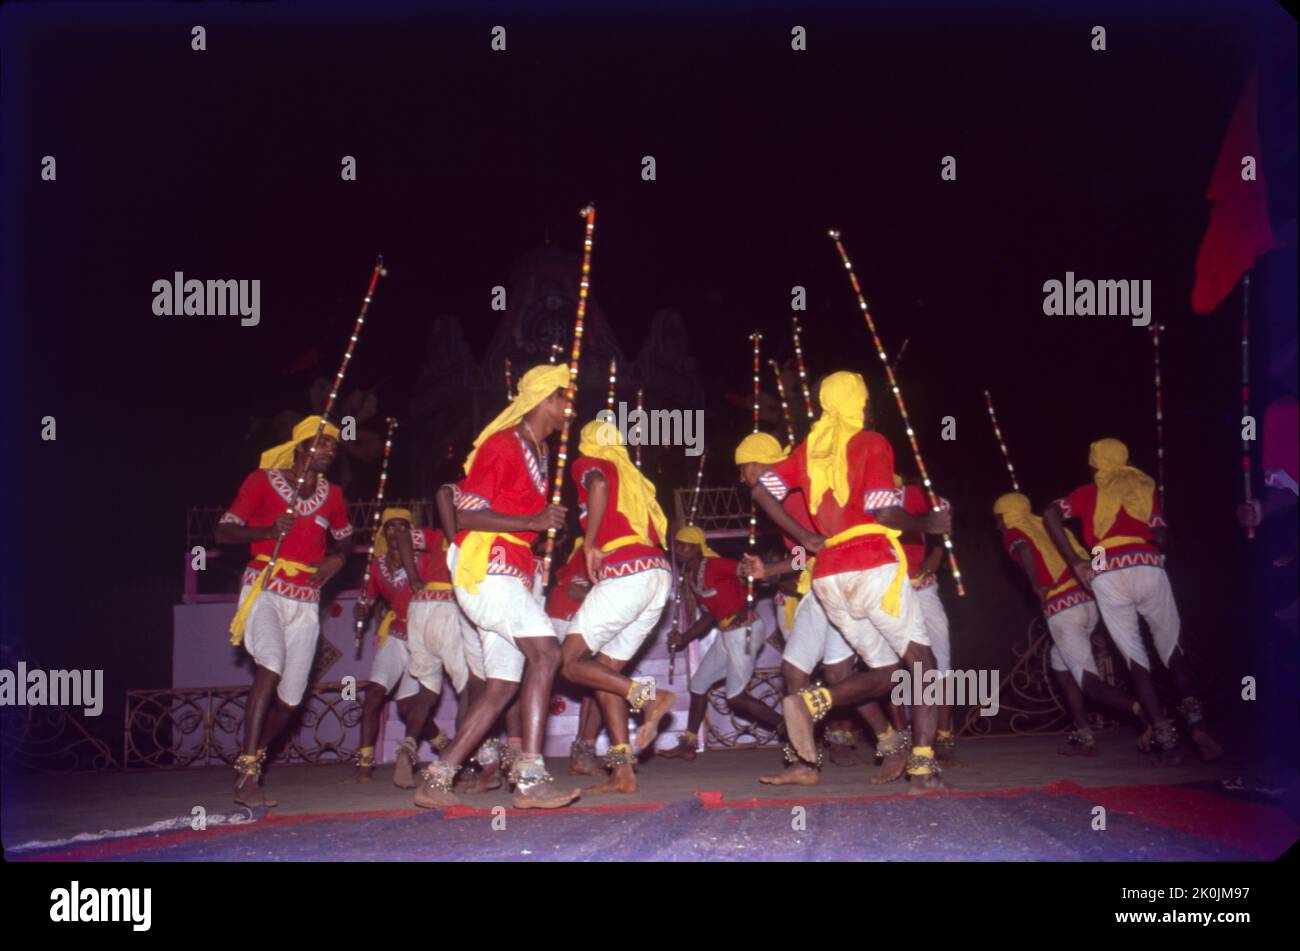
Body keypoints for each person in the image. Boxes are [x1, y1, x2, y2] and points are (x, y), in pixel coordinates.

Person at [748, 372, 951, 791]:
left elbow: (762, 490)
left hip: (828, 576)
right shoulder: (870, 442)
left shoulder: (808, 450)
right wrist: (928, 522)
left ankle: (811, 700)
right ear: (859, 401)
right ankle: (924, 768)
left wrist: (806, 536)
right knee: (922, 664)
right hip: (871, 563)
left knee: (882, 669)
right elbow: (882, 512)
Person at [414, 364, 579, 809]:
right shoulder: (503, 444)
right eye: (565, 399)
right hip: (489, 570)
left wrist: (544, 530)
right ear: (546, 398)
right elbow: (463, 513)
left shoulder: (538, 453)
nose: (570, 408)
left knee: (502, 687)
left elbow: (517, 518)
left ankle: (436, 778)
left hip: (513, 574)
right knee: (547, 653)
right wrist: (532, 521)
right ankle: (530, 777)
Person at [1044, 438, 1221, 764]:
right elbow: (1161, 537)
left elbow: (1051, 513)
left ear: (1095, 462)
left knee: (1135, 660)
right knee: (1173, 651)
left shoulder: (1086, 492)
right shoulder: (1143, 486)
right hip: (1148, 565)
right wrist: (1151, 520)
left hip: (1108, 571)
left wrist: (1075, 561)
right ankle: (1198, 725)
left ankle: (1167, 742)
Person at [217, 416, 352, 806]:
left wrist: (336, 562)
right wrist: (266, 532)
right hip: (265, 587)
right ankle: (247, 773)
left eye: (333, 446)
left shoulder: (334, 495)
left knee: (291, 698)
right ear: (301, 445)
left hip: (306, 599)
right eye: (322, 443)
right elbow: (223, 530)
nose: (329, 450)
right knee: (270, 664)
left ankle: (254, 756)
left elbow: (345, 540)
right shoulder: (261, 481)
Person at [558, 419, 675, 793]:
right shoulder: (633, 476)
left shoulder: (591, 463)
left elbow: (598, 484)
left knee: (571, 663)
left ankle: (649, 696)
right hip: (655, 574)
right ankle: (623, 770)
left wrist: (589, 541)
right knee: (606, 673)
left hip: (626, 572)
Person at [994, 492, 1148, 755]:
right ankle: (1085, 737)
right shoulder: (1051, 528)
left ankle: (1147, 714)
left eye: (998, 517)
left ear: (1007, 513)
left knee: (1090, 684)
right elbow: (1086, 558)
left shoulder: (1014, 531)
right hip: (1086, 603)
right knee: (1062, 670)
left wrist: (1035, 582)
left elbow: (1024, 548)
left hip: (1063, 610)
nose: (998, 523)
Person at [657, 524, 780, 760]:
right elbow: (711, 615)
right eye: (678, 546)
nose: (680, 550)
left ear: (697, 549)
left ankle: (793, 729)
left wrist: (749, 594)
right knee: (698, 685)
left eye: (686, 546)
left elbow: (748, 572)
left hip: (744, 630)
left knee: (736, 698)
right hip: (726, 634)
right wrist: (683, 638)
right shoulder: (692, 577)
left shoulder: (715, 564)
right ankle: (689, 744)